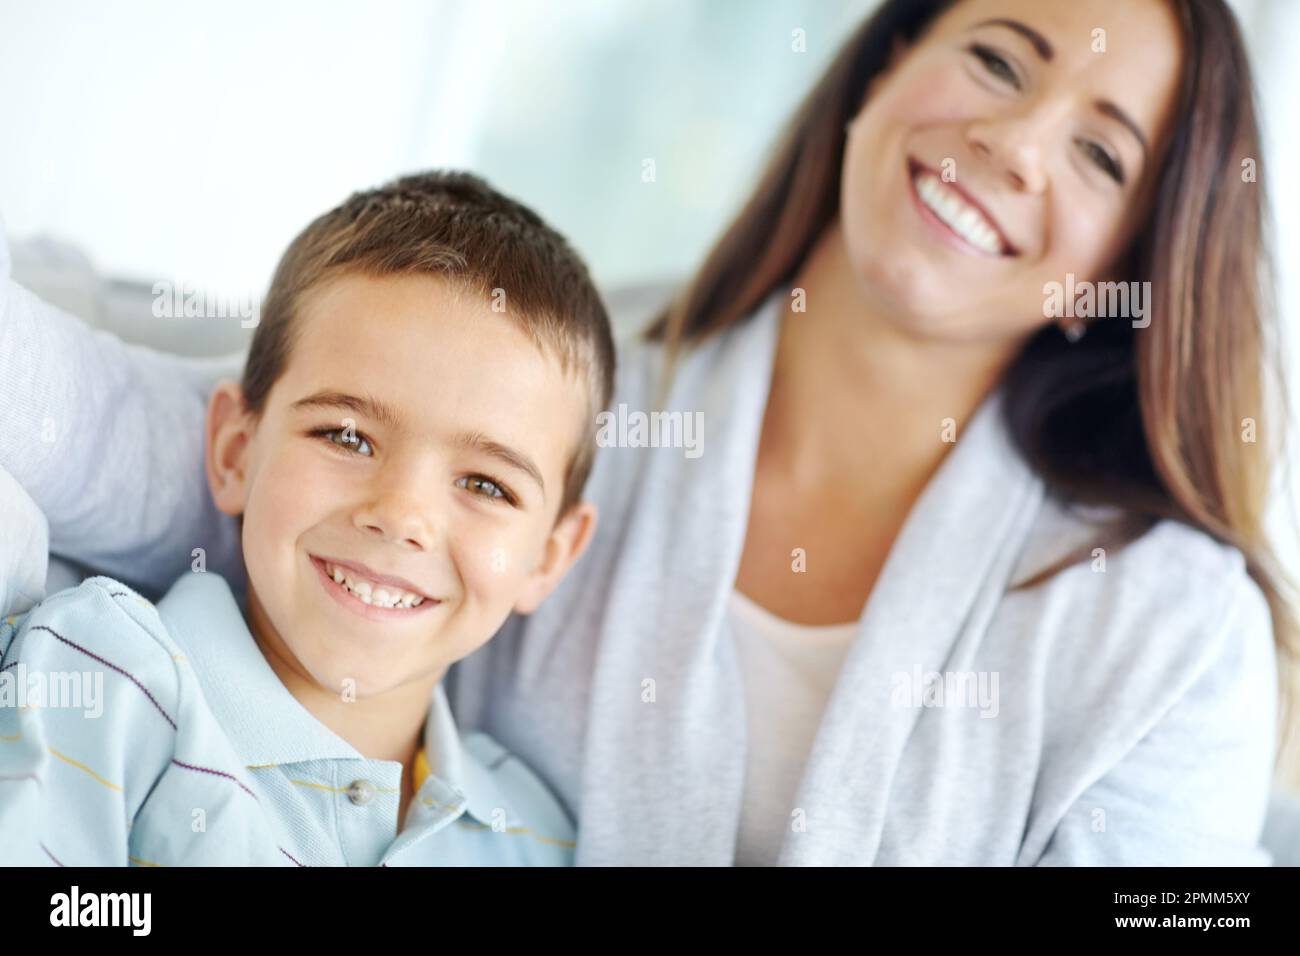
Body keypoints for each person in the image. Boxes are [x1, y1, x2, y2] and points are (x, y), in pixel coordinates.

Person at [1, 0, 1293, 866]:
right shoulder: (551, 379)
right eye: (1000, 59)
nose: (1014, 144)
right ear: (881, 69)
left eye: (1102, 156)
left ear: (1132, 260)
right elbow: (201, 444)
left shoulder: (1172, 635)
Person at [0, 171, 614, 865]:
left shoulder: (538, 837)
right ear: (235, 451)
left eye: (485, 484)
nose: (401, 515)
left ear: (549, 557)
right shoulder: (100, 680)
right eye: (346, 436)